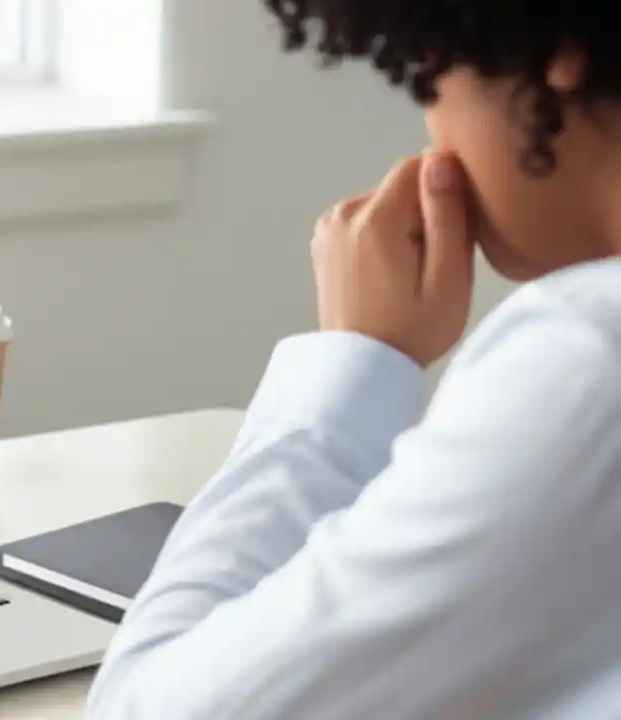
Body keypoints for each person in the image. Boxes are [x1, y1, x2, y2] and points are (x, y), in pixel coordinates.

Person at [86, 3, 621, 718]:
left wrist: (352, 362)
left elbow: (147, 710)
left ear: (562, 50)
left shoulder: (590, 360)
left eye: (429, 74)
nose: (431, 131)